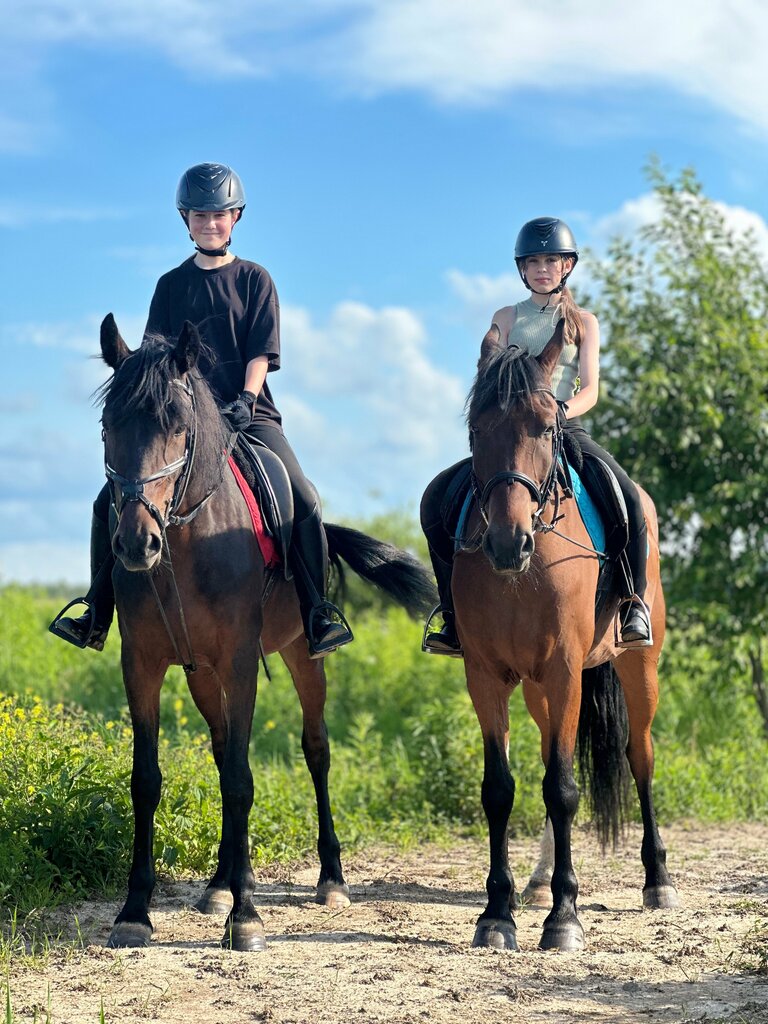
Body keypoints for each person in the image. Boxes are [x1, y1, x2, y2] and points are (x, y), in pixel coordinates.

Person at [50, 162, 353, 659]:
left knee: (304, 497)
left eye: (219, 215)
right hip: (180, 420)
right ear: (185, 220)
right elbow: (156, 361)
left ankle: (317, 612)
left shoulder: (256, 279)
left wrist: (247, 400)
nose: (210, 224)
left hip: (247, 414)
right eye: (200, 216)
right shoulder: (170, 285)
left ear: (235, 218)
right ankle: (97, 612)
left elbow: (261, 353)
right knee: (106, 501)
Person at [421, 216, 653, 656]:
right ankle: (451, 614)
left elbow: (591, 388)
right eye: (533, 262)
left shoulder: (584, 321)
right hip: (510, 433)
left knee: (626, 496)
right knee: (438, 499)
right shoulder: (505, 317)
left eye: (551, 260)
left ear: (567, 266)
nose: (542, 268)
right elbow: (490, 369)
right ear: (521, 268)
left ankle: (632, 601)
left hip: (562, 425)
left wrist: (561, 411)